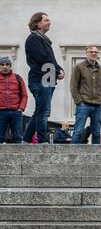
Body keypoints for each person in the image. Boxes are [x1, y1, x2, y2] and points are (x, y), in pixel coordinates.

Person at [23, 12, 64, 144]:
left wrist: (60, 70)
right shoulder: (33, 39)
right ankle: (42, 140)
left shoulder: (43, 39)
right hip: (40, 80)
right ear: (37, 23)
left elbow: (51, 59)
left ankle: (26, 139)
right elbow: (43, 58)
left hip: (47, 79)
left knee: (40, 110)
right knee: (44, 111)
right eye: (46, 20)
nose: (49, 22)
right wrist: (57, 71)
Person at [70, 45, 101, 144]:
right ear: (86, 53)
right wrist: (79, 102)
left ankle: (96, 154)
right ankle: (72, 152)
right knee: (78, 131)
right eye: (91, 52)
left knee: (96, 133)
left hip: (98, 106)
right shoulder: (79, 67)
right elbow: (73, 86)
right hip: (83, 104)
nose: (93, 53)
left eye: (95, 52)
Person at [0, 55, 29, 144]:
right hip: (1, 112)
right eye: (2, 64)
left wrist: (21, 108)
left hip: (16, 112)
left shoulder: (18, 78)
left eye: (7, 64)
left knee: (17, 138)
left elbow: (24, 95)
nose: (5, 66)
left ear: (10, 66)